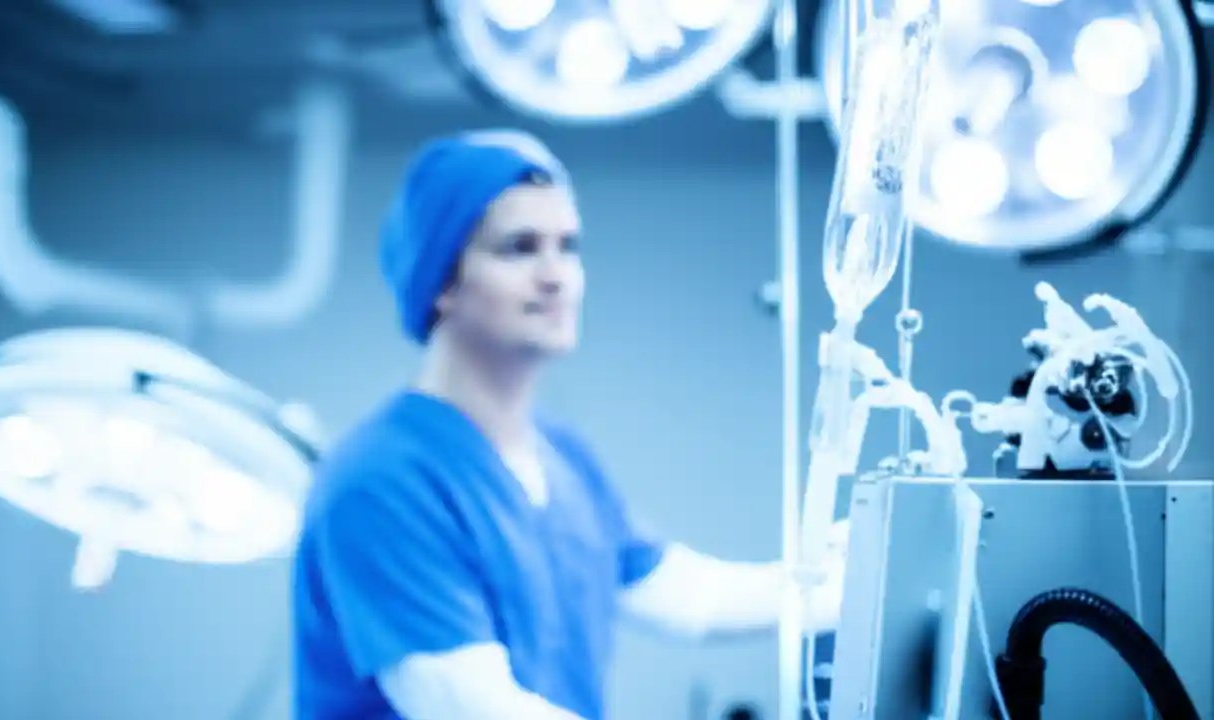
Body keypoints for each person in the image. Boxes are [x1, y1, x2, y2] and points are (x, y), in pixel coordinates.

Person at [292, 130, 845, 720]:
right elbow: (474, 708)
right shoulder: (383, 483)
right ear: (442, 280)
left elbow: (687, 599)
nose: (555, 275)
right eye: (520, 248)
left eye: (569, 246)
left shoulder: (561, 459)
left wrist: (840, 579)